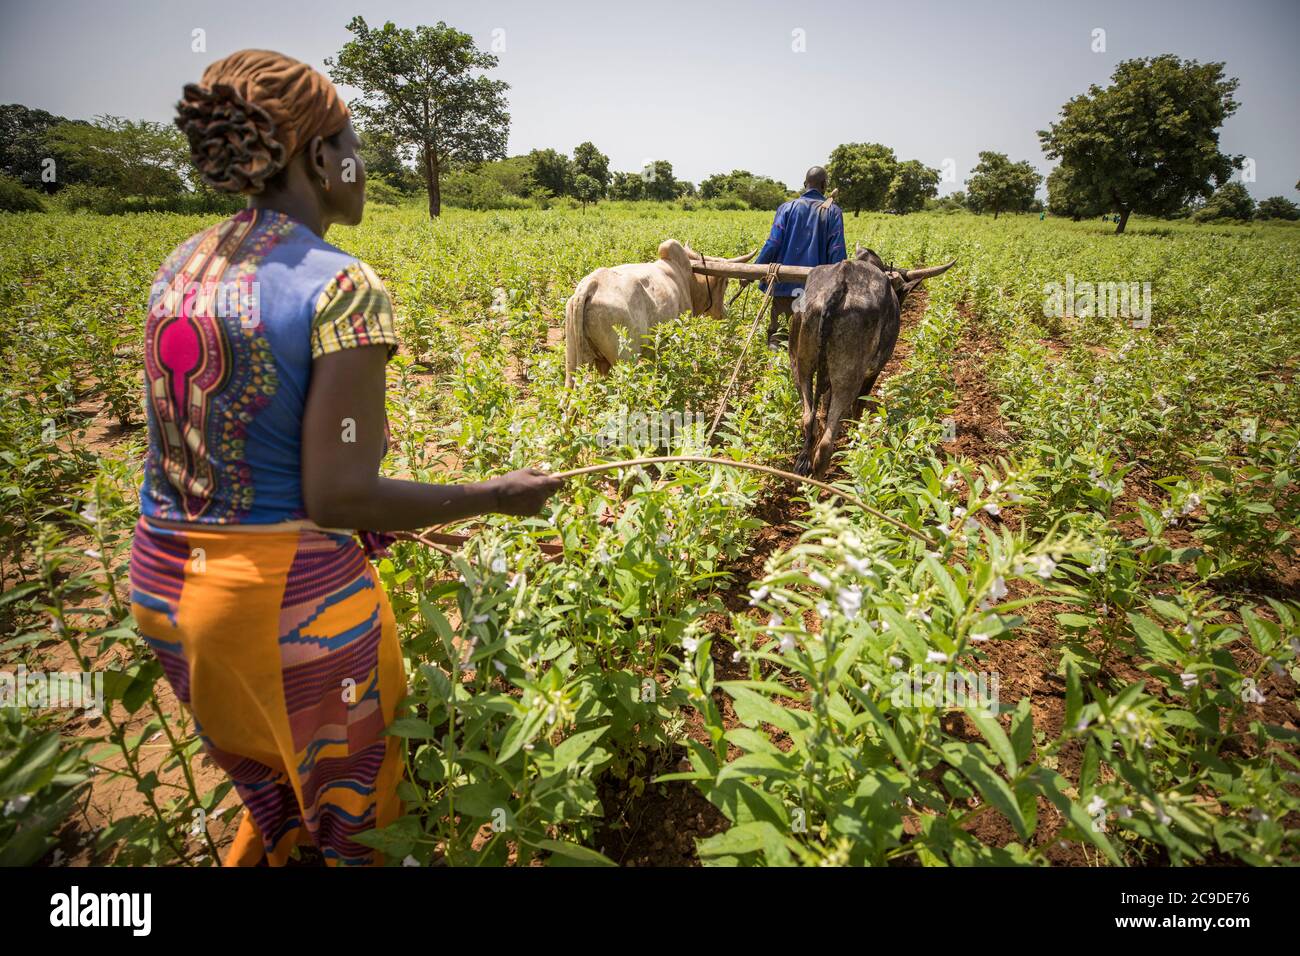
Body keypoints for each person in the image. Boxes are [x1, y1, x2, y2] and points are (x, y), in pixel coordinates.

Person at [130, 50, 563, 866]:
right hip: (286, 612)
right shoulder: (342, 285)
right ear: (321, 158)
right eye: (356, 143)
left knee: (270, 792)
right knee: (356, 819)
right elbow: (339, 496)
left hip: (163, 589)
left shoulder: (180, 266)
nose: (367, 164)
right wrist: (496, 495)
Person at [753, 166, 847, 347]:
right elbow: (837, 251)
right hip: (817, 292)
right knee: (808, 343)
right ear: (824, 185)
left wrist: (754, 270)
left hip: (783, 286)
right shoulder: (833, 211)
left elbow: (773, 243)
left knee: (779, 337)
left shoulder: (787, 208)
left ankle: (774, 370)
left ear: (805, 184)